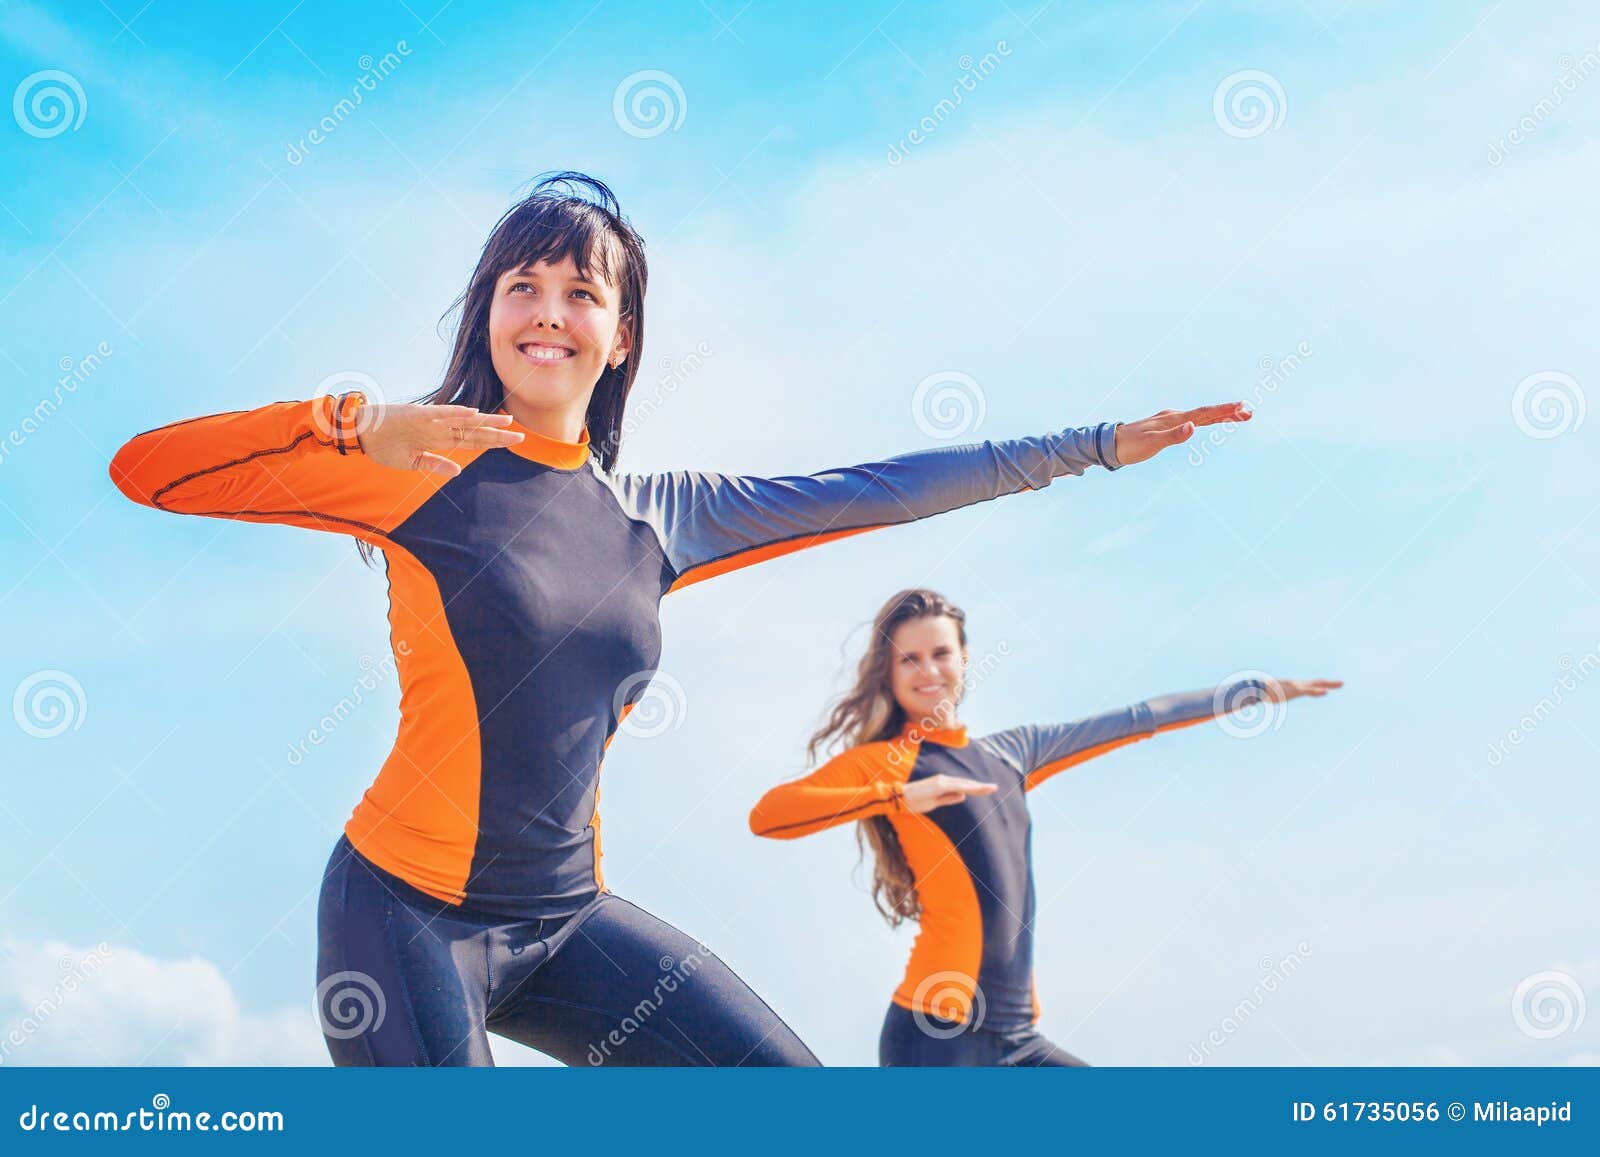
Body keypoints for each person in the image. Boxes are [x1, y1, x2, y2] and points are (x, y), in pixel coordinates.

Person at [109, 170, 1250, 1066]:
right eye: (523, 287)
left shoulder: (660, 518)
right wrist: (343, 418)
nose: (549, 314)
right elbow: (146, 472)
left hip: (564, 920)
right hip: (402, 916)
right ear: (489, 313)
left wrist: (1095, 446)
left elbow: (885, 485)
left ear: (620, 338)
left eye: (581, 292)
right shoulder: (408, 467)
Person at [749, 588, 1340, 1066]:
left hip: (1017, 1038)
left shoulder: (1013, 754)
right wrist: (901, 797)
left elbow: (1138, 720)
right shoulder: (887, 762)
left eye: (940, 653)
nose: (927, 670)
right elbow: (769, 816)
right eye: (909, 658)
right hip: (935, 1036)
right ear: (889, 673)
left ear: (963, 659)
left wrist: (1255, 691)